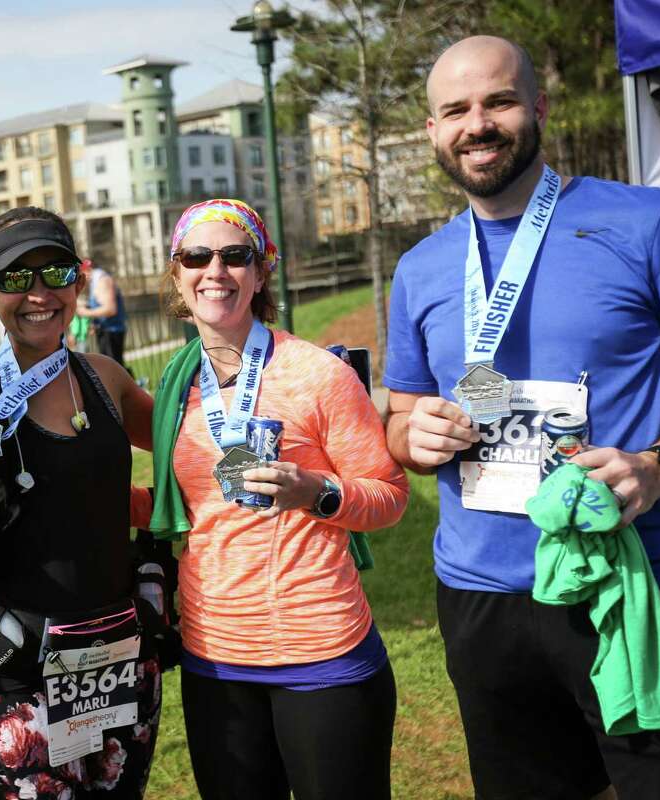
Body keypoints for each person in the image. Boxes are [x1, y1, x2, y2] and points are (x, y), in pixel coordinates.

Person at [383, 35, 660, 800]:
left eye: (498, 101)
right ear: (432, 130)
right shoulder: (420, 268)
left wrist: (659, 467)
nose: (477, 124)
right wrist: (412, 438)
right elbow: (399, 418)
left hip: (633, 583)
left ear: (539, 107)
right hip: (483, 599)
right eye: (455, 110)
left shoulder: (649, 222)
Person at [148, 198, 410, 800]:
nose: (215, 270)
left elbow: (390, 496)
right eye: (196, 256)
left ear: (261, 272)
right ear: (177, 273)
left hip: (321, 654)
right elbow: (187, 504)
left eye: (235, 256)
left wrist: (314, 492)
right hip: (213, 656)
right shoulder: (174, 381)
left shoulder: (318, 374)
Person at [0, 206, 160, 798]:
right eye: (14, 278)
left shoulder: (105, 377)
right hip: (17, 674)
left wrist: (143, 504)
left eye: (54, 273)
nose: (38, 294)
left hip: (115, 662)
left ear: (78, 279)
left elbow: (191, 455)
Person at [75, 259, 128, 366]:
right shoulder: (96, 281)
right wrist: (95, 323)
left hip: (112, 332)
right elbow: (99, 304)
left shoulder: (102, 280)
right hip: (105, 332)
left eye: (82, 273)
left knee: (114, 368)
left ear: (87, 270)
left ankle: (130, 383)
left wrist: (85, 312)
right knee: (111, 367)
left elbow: (110, 309)